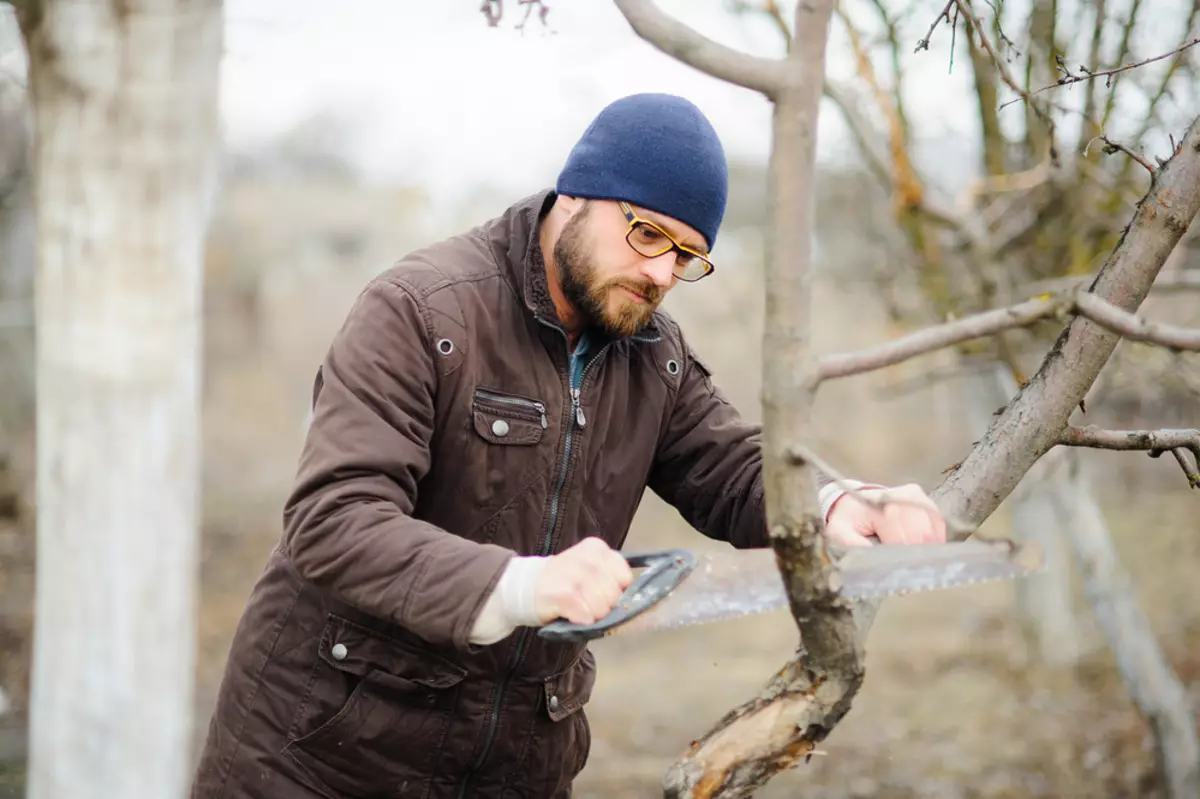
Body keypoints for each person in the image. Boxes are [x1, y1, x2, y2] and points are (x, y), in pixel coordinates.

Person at [190, 93, 946, 799]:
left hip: (513, 765)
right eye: (646, 233)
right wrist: (522, 584)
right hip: (321, 755)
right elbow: (335, 520)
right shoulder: (422, 312)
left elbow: (731, 466)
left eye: (685, 256)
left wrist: (837, 503)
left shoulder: (654, 354)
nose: (659, 273)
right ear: (576, 193)